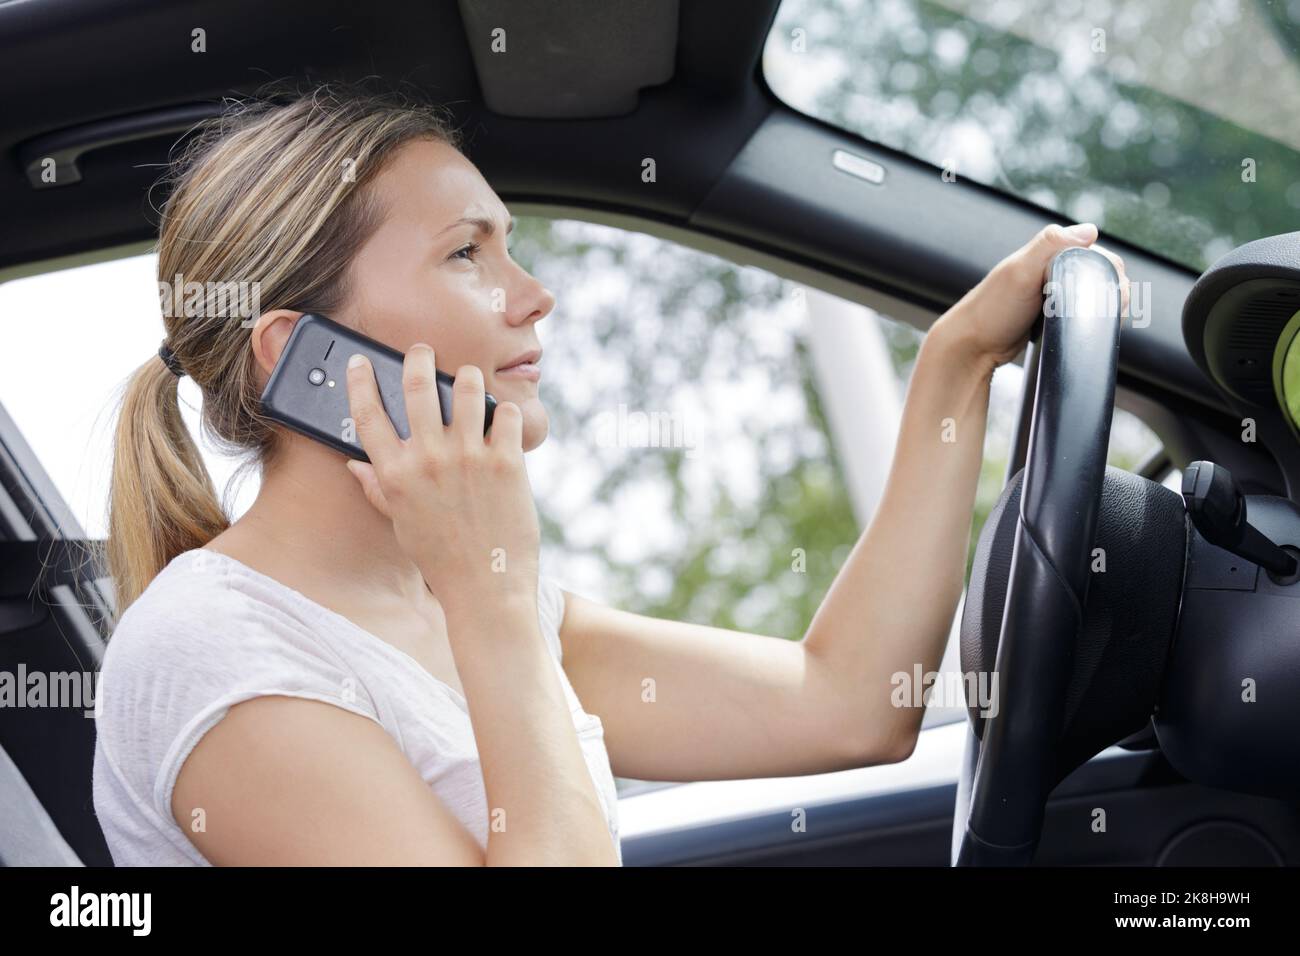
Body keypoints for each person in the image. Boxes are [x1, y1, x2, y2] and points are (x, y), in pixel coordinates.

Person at [91, 83, 1128, 866]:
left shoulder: (466, 603)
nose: (533, 295)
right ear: (302, 355)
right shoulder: (214, 652)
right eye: (468, 254)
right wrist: (488, 589)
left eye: (512, 247)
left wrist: (954, 365)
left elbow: (847, 701)